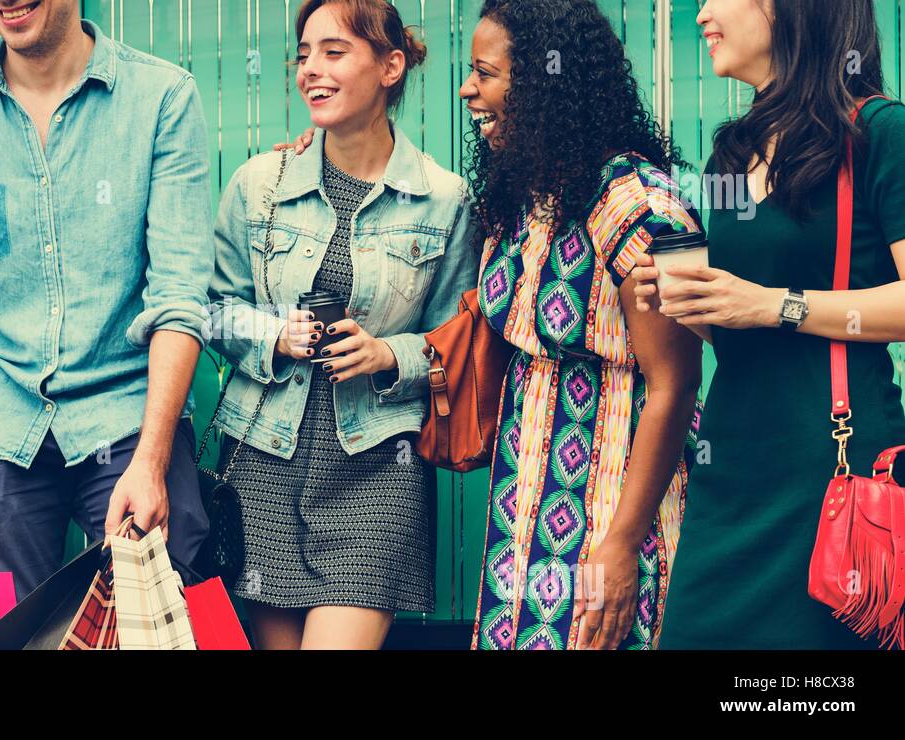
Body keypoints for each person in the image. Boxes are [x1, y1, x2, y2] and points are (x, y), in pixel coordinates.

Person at [0, 0, 214, 599]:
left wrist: (151, 462)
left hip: (126, 412)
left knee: (160, 598)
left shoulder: (162, 98)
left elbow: (178, 296)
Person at [208, 0, 476, 650]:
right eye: (304, 54)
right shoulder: (258, 185)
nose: (310, 70)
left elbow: (458, 343)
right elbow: (212, 309)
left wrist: (388, 355)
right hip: (264, 461)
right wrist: (275, 334)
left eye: (334, 52)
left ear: (390, 66)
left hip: (377, 468)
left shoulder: (444, 200)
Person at [638, 0, 905, 650]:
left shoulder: (878, 131)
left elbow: (766, 306)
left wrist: (771, 304)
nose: (700, 14)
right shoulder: (731, 153)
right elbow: (738, 321)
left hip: (832, 476)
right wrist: (688, 302)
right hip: (729, 474)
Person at [460, 0, 703, 650]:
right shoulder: (523, 196)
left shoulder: (637, 205)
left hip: (609, 518)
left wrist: (622, 545)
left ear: (544, 82)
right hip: (521, 523)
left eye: (485, 73)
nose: (466, 90)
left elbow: (676, 383)